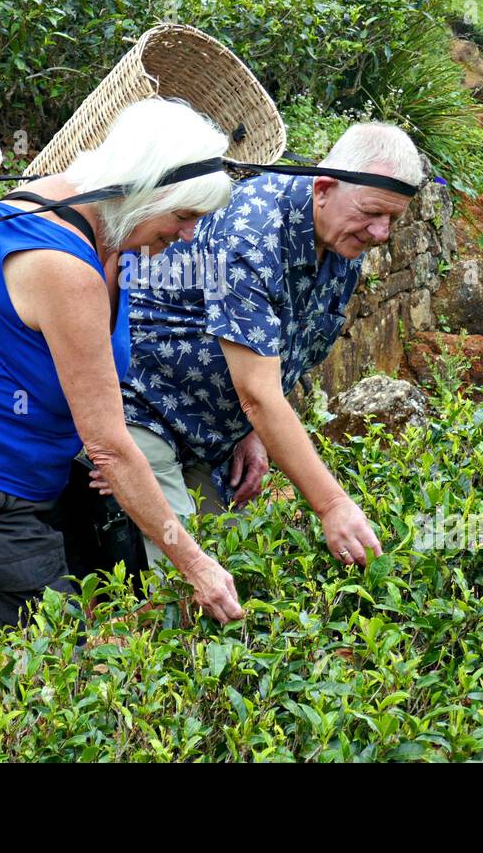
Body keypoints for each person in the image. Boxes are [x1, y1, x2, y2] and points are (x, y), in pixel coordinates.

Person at [0, 97, 246, 649]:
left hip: (25, 464)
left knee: (86, 626)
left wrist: (100, 451)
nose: (189, 235)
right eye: (184, 216)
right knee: (51, 662)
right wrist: (194, 561)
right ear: (144, 190)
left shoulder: (105, 224)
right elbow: (112, 445)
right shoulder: (63, 269)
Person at [97, 122, 425, 569]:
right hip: (146, 405)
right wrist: (332, 506)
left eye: (393, 219)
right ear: (324, 188)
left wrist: (251, 433)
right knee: (183, 576)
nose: (382, 232)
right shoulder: (253, 230)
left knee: (237, 563)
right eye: (372, 213)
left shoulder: (343, 239)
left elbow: (282, 350)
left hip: (213, 433)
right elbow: (258, 394)